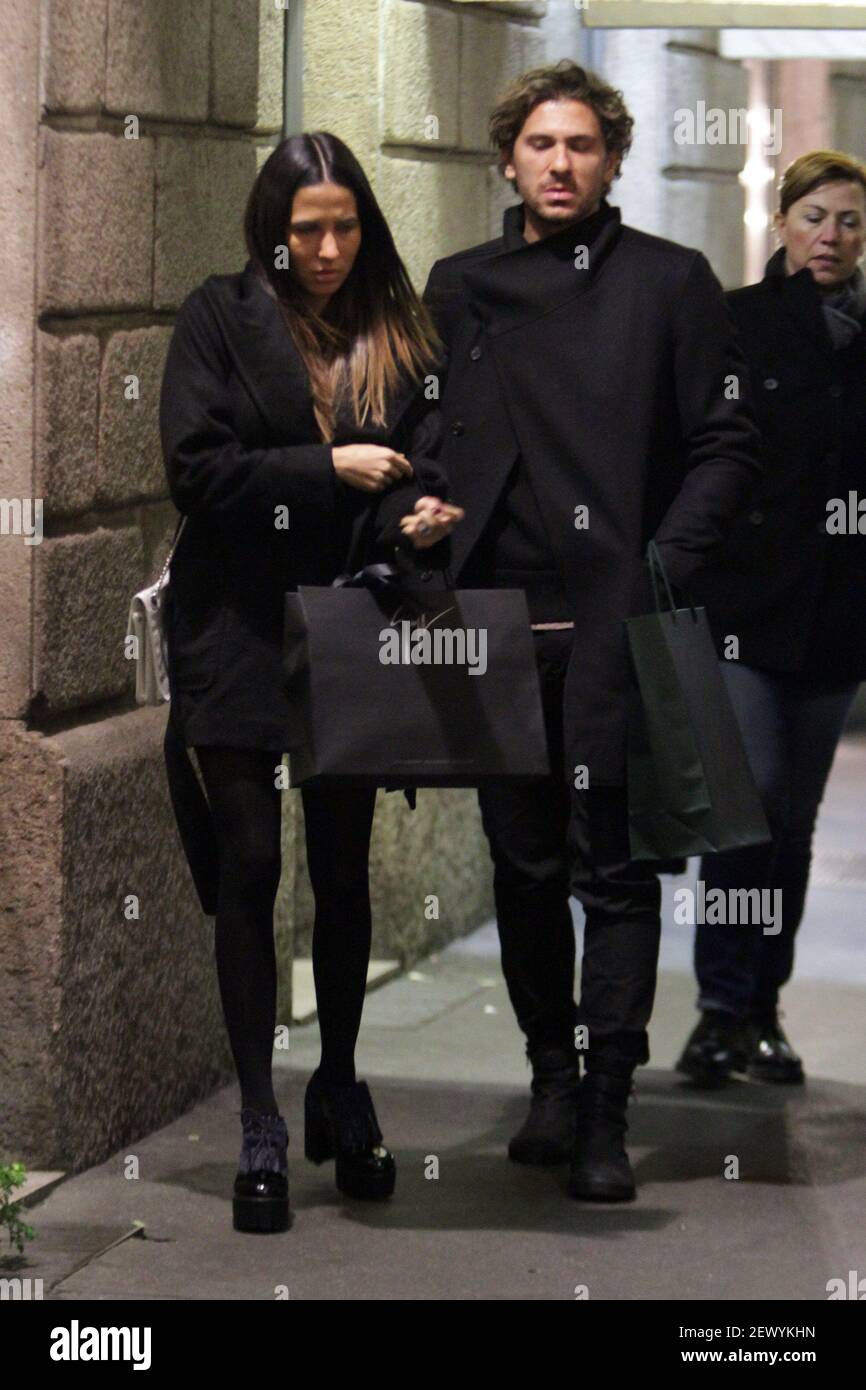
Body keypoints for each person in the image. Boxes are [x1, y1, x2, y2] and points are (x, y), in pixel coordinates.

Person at [422, 60, 762, 1202]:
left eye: (580, 145)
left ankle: (607, 1107)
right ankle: (548, 1084)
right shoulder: (458, 285)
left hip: (611, 628)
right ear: (506, 158)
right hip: (496, 628)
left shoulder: (668, 282)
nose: (558, 162)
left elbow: (725, 443)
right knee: (520, 868)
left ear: (610, 160)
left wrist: (661, 559)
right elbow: (426, 438)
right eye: (538, 144)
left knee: (610, 872)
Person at [159, 131, 462, 1234]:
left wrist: (415, 516)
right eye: (306, 230)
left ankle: (339, 1077)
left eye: (343, 225)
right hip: (236, 622)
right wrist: (320, 466)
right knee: (248, 862)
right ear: (271, 232)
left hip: (349, 626)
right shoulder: (218, 316)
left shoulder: (398, 329)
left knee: (343, 870)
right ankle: (258, 1116)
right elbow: (193, 467)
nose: (327, 248)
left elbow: (419, 467)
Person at [677, 150, 866, 1088]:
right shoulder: (739, 325)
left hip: (837, 619)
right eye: (816, 217)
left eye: (850, 222)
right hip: (746, 611)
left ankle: (763, 1007)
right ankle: (718, 1008)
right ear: (782, 224)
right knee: (742, 804)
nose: (831, 236)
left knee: (793, 821)